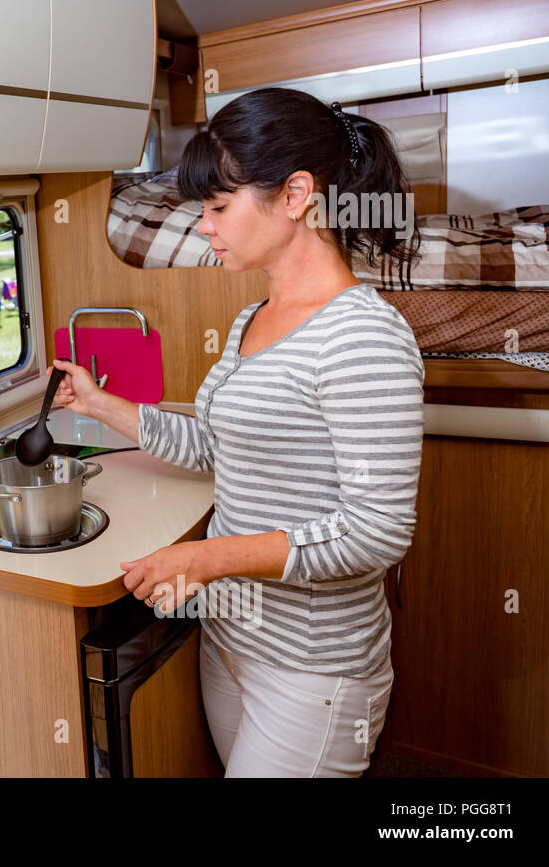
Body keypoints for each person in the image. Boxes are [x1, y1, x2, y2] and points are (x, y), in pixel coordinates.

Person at [50, 87, 424, 777]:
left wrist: (206, 561)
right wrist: (103, 405)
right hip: (232, 636)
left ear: (295, 195)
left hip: (313, 670)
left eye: (219, 207)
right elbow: (217, 449)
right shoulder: (254, 317)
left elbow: (377, 531)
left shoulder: (362, 335)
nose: (204, 226)